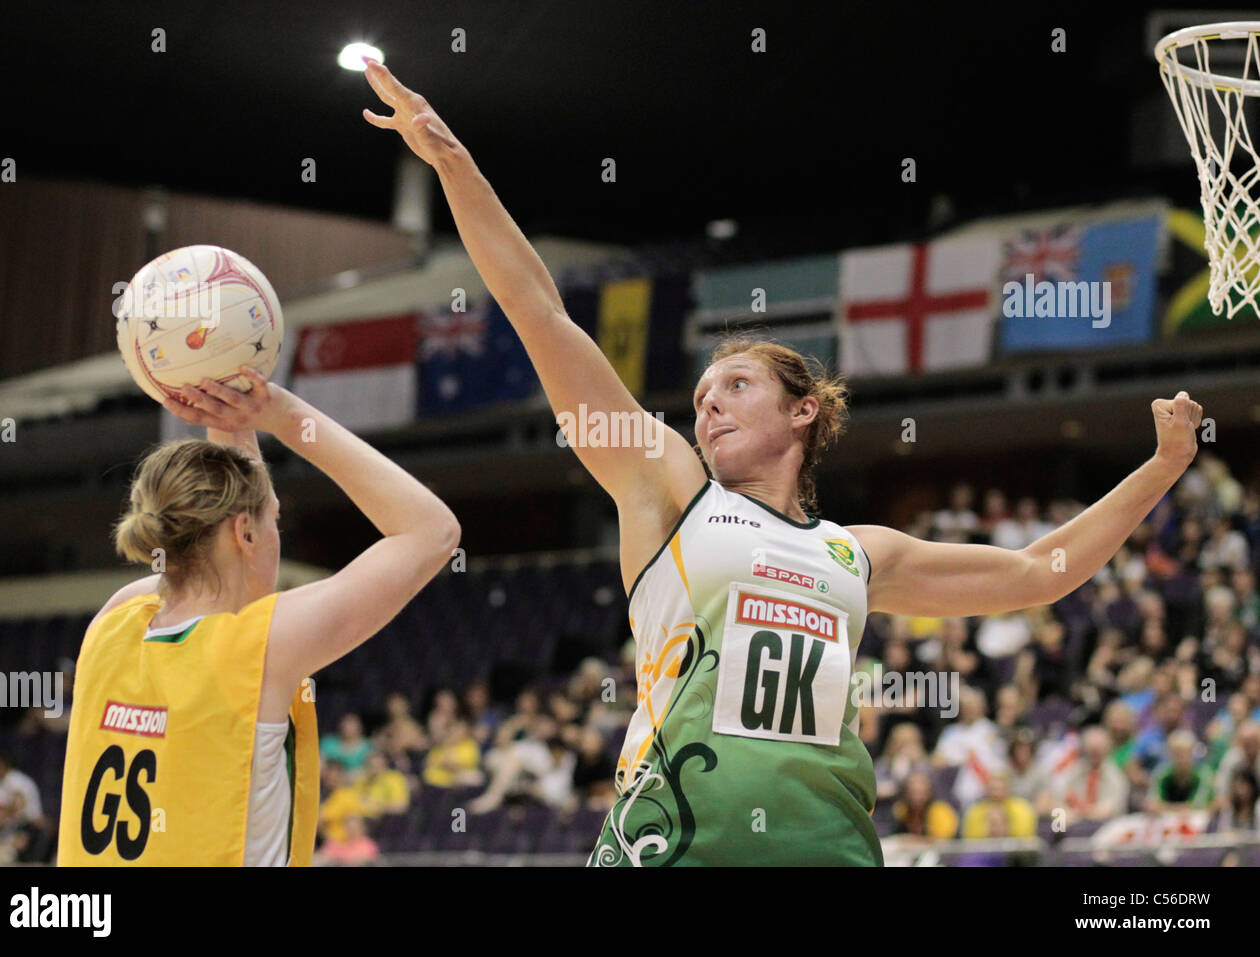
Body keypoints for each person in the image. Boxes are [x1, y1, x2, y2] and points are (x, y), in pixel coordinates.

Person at [358, 58, 1207, 866]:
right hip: (673, 844)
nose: (706, 403)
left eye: (733, 383)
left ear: (804, 410)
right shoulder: (666, 486)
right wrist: (456, 166)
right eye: (699, 394)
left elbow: (1036, 570)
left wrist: (1162, 469)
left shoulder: (857, 552)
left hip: (825, 848)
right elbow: (539, 312)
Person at [58, 367, 459, 866]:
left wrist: (232, 416)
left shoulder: (113, 620)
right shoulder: (262, 646)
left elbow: (219, 575)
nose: (277, 533)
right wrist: (284, 416)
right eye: (275, 519)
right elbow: (433, 531)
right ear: (246, 534)